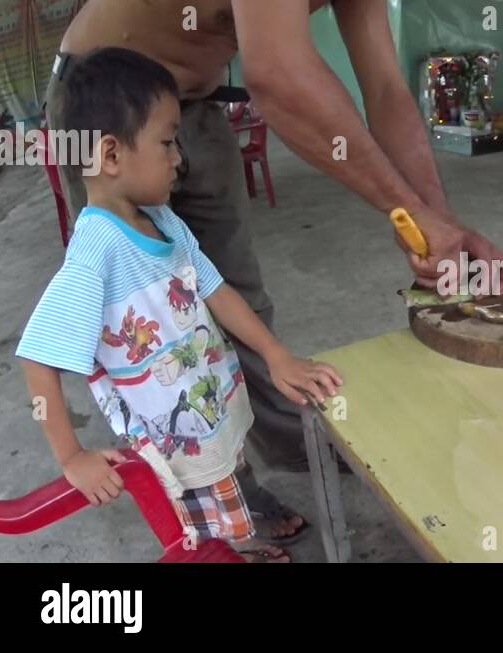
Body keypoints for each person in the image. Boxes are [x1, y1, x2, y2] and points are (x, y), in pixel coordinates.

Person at [44, 0, 503, 540]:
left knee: (230, 300)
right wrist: (70, 452)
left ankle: (278, 452)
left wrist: (436, 226)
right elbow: (278, 74)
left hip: (189, 107)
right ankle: (206, 514)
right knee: (145, 340)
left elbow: (385, 90)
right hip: (108, 113)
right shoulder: (99, 241)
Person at [18, 48, 343, 563]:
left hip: (209, 409)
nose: (178, 158)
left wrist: (275, 354)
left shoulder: (163, 221)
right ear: (109, 155)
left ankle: (242, 541)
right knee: (204, 533)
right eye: (167, 142)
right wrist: (71, 455)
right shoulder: (97, 252)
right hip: (175, 447)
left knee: (229, 482)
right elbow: (38, 357)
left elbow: (216, 290)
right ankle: (233, 552)